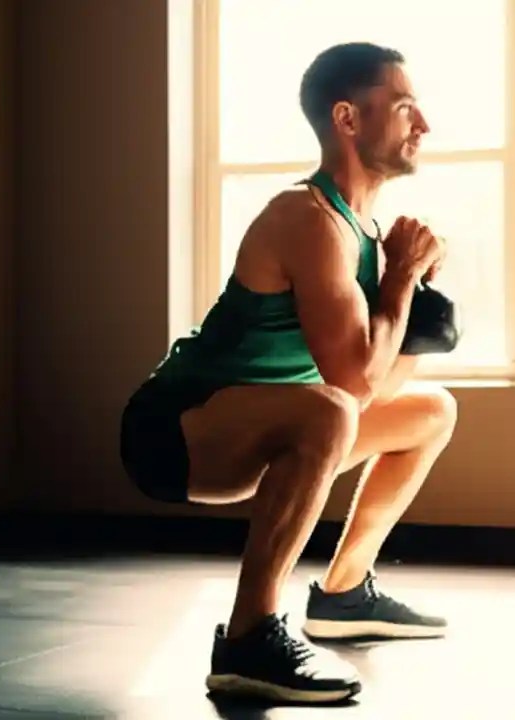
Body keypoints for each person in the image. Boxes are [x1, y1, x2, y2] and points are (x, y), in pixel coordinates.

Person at [120, 41, 457, 704]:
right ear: (349, 120)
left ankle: (344, 593)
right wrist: (399, 280)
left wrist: (408, 295)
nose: (424, 126)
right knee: (330, 408)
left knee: (430, 411)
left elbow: (374, 390)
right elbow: (352, 388)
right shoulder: (307, 219)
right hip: (173, 431)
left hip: (265, 424)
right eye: (406, 107)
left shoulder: (363, 228)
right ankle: (248, 639)